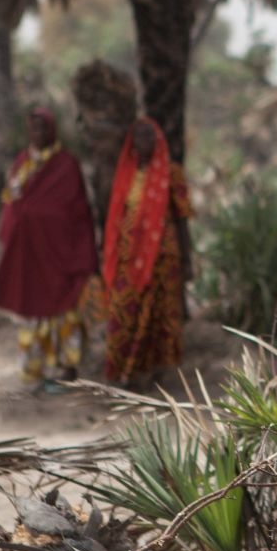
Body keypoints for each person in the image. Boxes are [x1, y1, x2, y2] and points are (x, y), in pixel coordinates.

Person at [0, 105, 99, 393]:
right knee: (32, 311)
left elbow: (76, 212)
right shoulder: (22, 163)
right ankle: (36, 371)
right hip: (30, 254)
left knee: (65, 310)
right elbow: (11, 204)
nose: (38, 133)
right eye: (33, 128)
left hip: (60, 254)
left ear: (53, 130)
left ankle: (66, 369)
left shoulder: (66, 165)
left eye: (44, 128)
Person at [101, 116, 192, 389]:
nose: (144, 143)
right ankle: (124, 373)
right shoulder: (125, 173)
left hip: (163, 257)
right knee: (122, 311)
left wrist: (188, 259)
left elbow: (183, 217)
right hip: (128, 258)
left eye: (149, 137)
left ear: (157, 140)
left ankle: (155, 376)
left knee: (158, 315)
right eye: (138, 137)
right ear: (132, 142)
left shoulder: (171, 173)